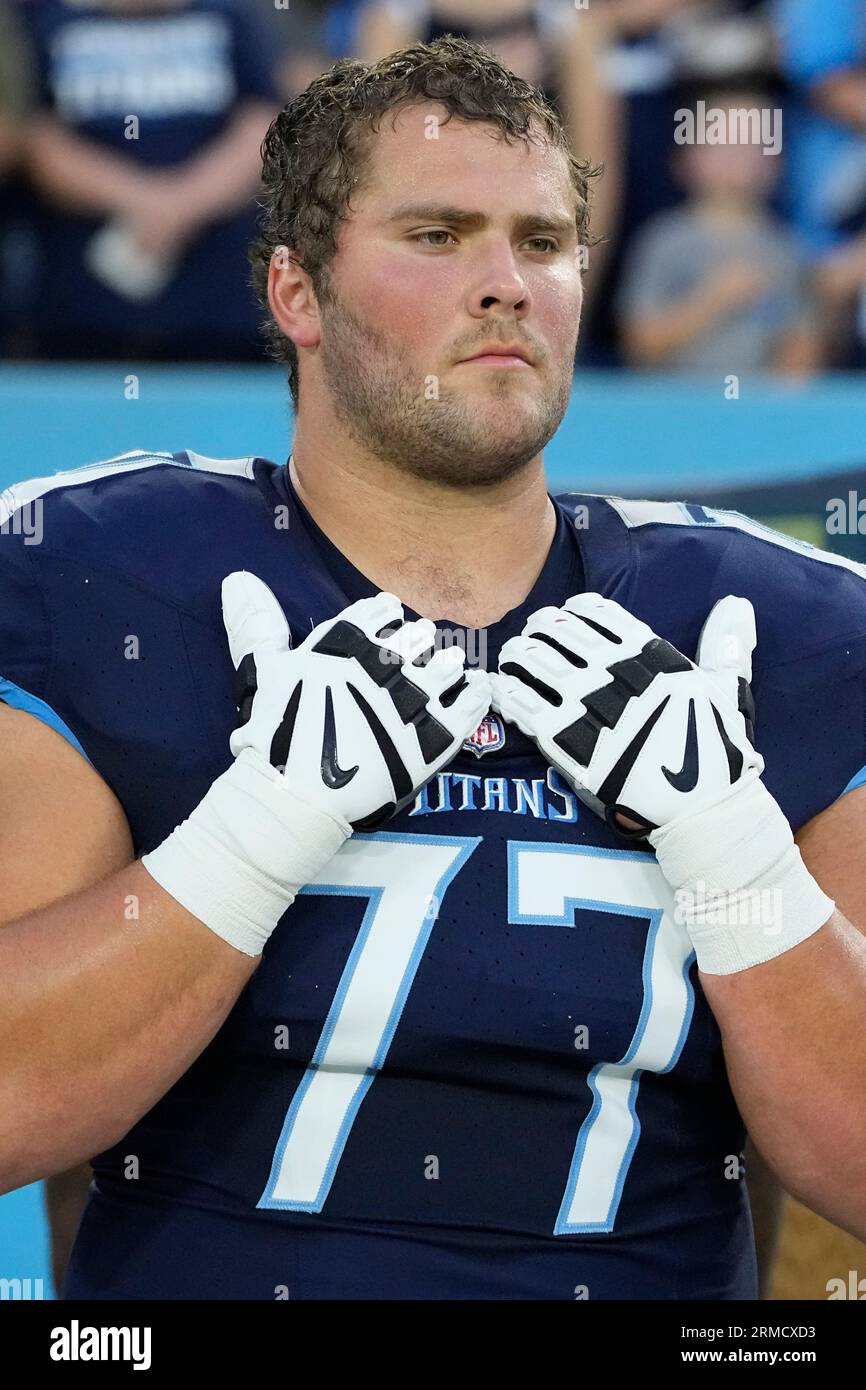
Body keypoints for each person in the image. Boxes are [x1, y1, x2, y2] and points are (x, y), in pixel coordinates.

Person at [1, 37, 866, 1301]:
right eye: (439, 234)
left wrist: (741, 864)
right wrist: (246, 840)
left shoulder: (763, 621)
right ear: (296, 294)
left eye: (541, 241)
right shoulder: (103, 570)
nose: (505, 284)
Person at [19, 0, 280, 361]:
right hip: (83, 318)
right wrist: (140, 199)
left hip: (224, 316)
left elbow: (262, 126)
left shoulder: (230, 16)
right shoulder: (52, 21)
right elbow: (40, 141)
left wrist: (180, 204)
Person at [617, 84, 820, 374]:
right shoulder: (663, 241)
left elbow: (801, 348)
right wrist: (715, 300)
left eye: (753, 143)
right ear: (687, 159)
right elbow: (638, 345)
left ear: (775, 161)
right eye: (722, 142)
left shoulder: (787, 250)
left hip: (757, 413)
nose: (738, 154)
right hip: (672, 410)